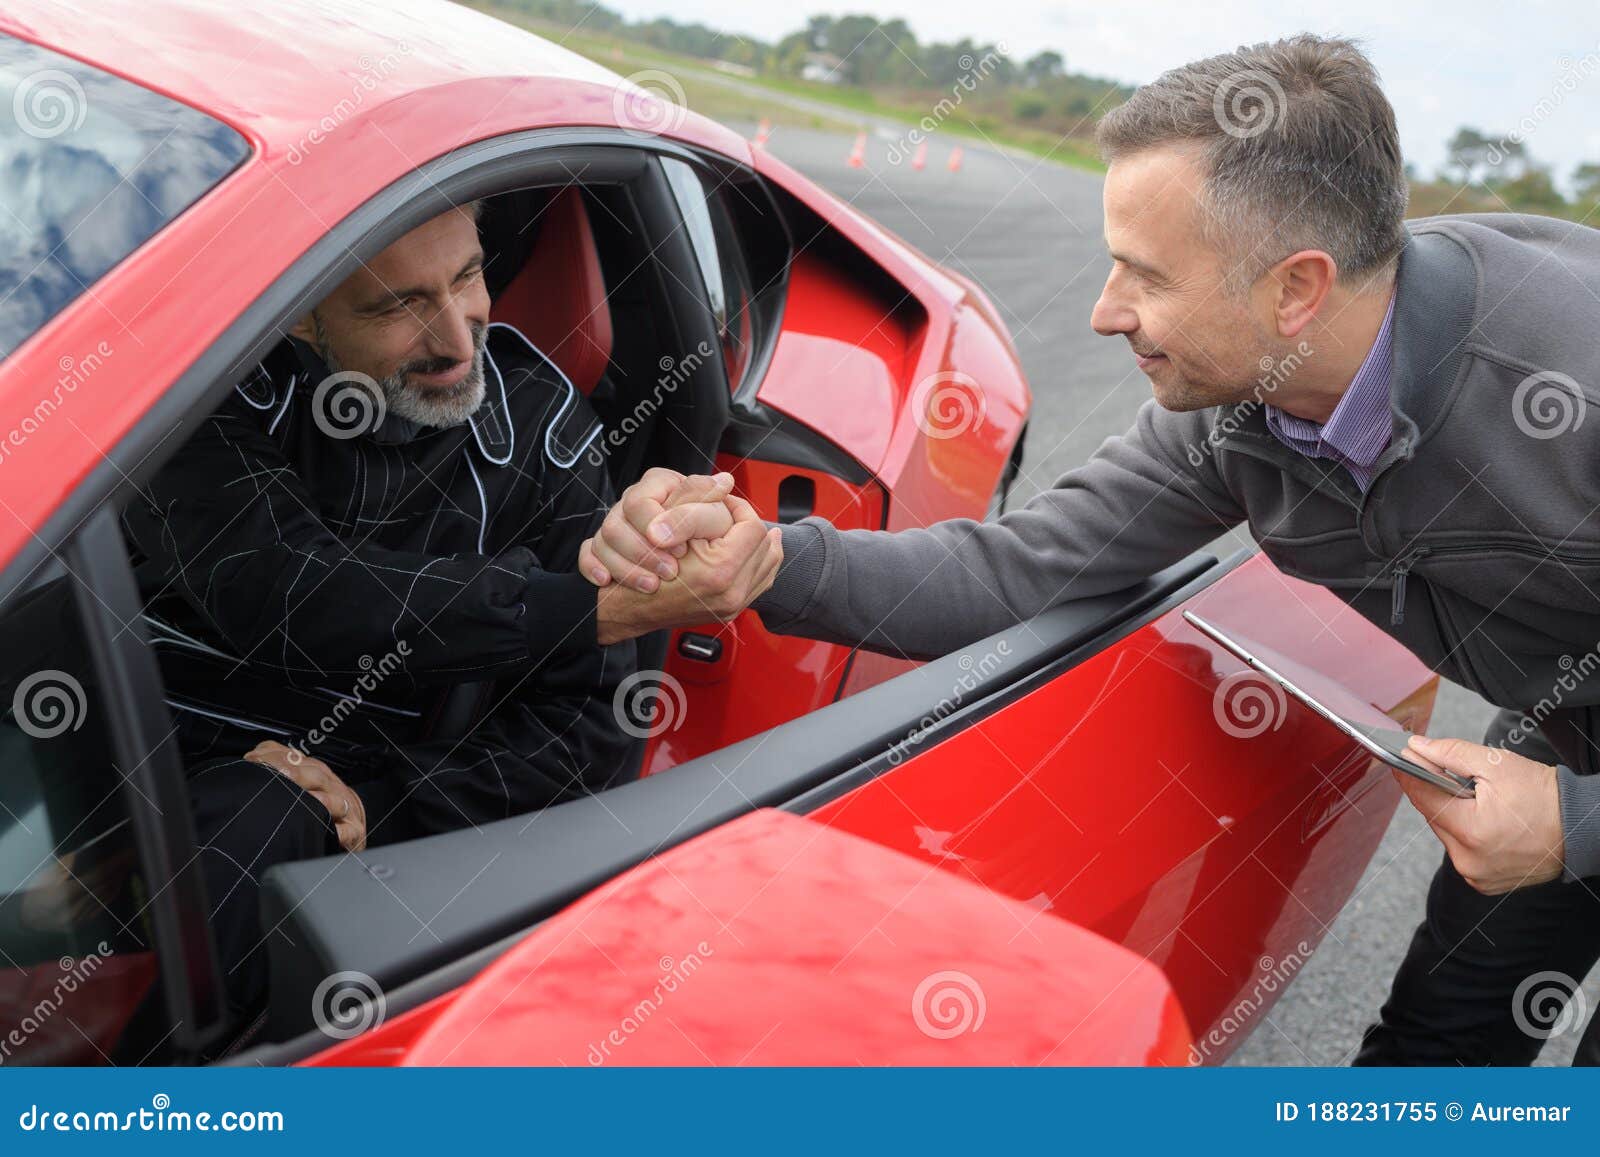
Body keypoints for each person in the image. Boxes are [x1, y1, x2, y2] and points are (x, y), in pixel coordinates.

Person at [578, 36, 1600, 1065]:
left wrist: (1573, 826)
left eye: (1144, 276)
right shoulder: (1240, 409)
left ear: (1296, 290)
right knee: (1441, 1039)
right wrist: (767, 562)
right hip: (1566, 727)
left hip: (1571, 786)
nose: (1105, 313)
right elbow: (1013, 570)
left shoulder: (1573, 388)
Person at [122, 201, 781, 1038]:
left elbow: (585, 735)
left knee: (246, 826)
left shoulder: (545, 435)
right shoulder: (209, 391)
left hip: (326, 825)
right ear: (298, 316)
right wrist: (585, 607)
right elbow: (288, 593)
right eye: (397, 304)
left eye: (468, 276)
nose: (458, 338)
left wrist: (376, 804)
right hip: (122, 745)